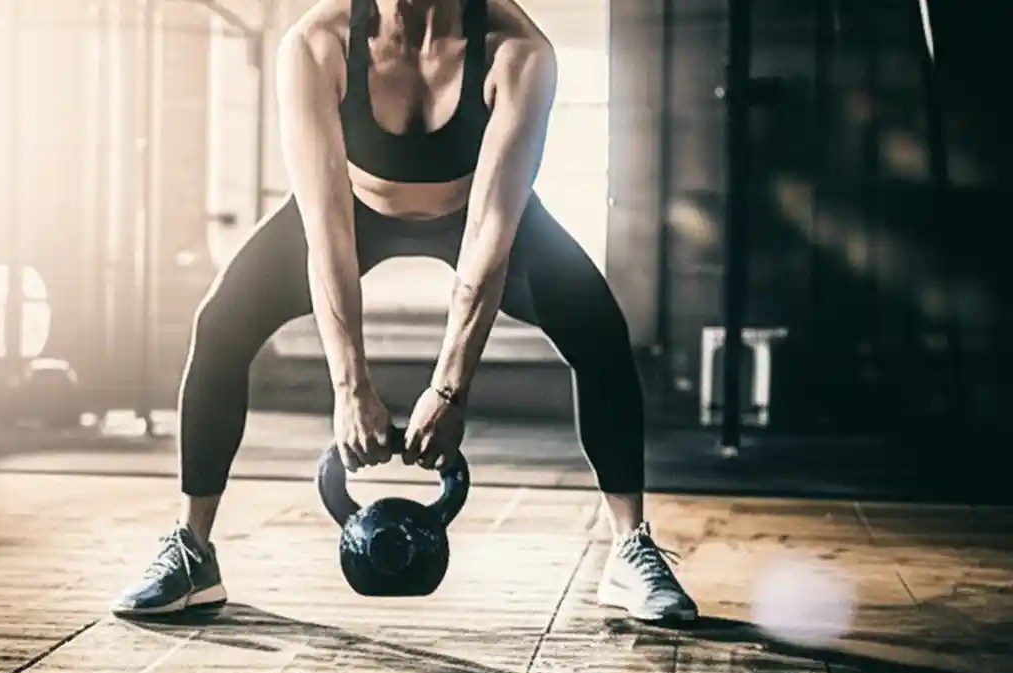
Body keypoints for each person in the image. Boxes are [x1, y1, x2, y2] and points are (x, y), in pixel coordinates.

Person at [112, 0, 697, 623]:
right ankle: (193, 549)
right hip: (353, 212)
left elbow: (488, 240)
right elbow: (327, 233)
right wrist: (350, 386)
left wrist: (450, 391)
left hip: (471, 215)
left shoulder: (520, 54)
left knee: (598, 329)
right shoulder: (316, 44)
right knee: (221, 324)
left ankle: (629, 547)